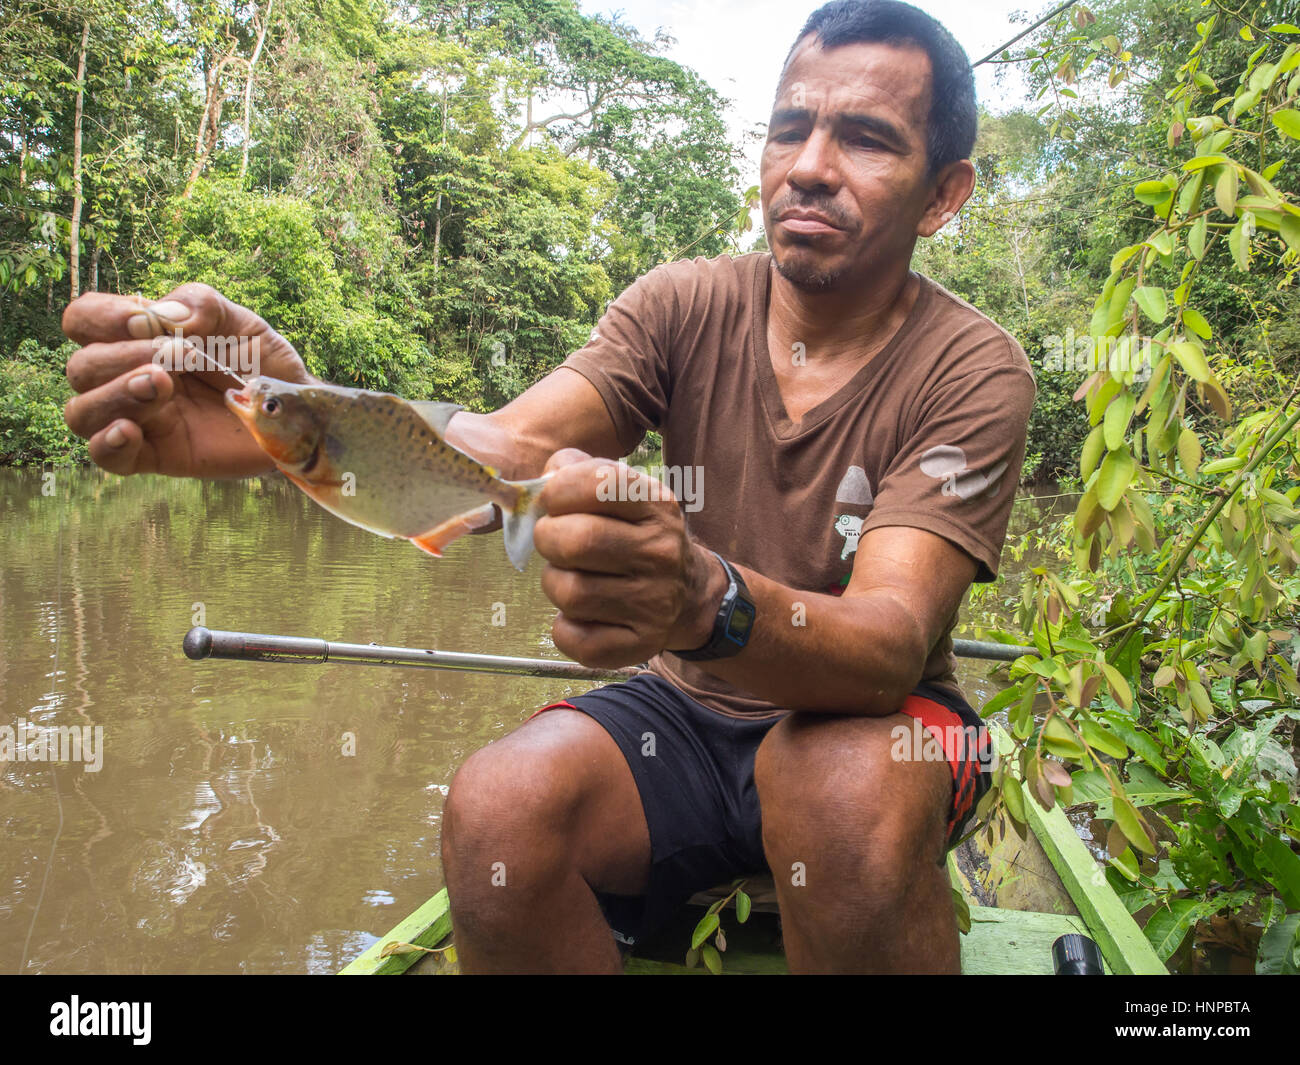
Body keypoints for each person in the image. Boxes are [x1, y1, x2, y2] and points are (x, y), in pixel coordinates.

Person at [62, 0, 1035, 973]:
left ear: (943, 194)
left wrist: (704, 598)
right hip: (686, 719)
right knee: (497, 810)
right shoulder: (685, 302)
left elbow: (888, 647)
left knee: (832, 785)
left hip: (875, 728)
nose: (810, 164)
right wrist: (291, 414)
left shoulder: (973, 369)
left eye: (864, 138)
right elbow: (505, 449)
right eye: (790, 128)